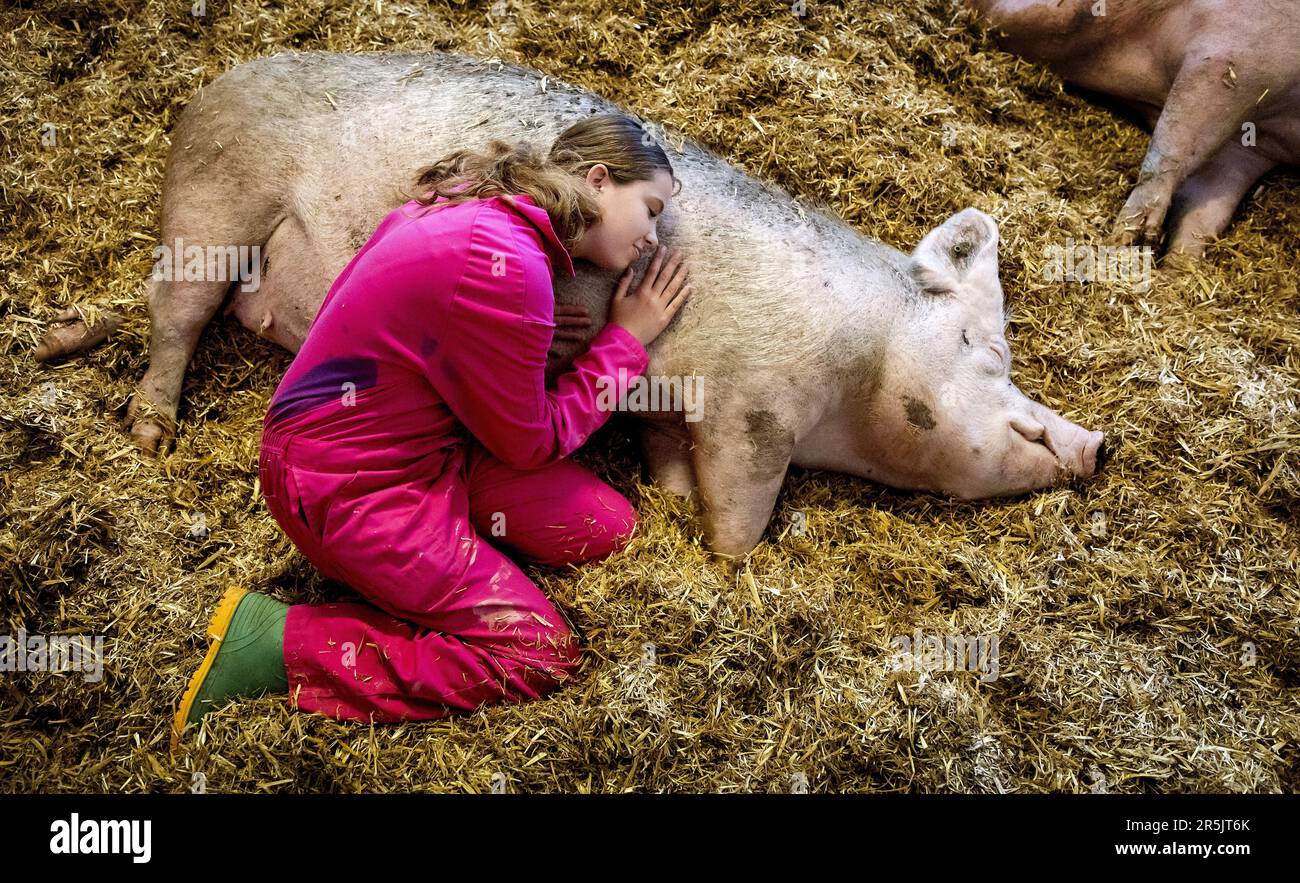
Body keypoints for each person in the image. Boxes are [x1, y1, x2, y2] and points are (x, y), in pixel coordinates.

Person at [171, 114, 691, 750]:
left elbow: (411, 321)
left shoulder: (478, 211)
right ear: (599, 180)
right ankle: (276, 642)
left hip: (422, 443)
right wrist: (624, 343)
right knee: (536, 654)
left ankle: (446, 557)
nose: (652, 236)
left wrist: (515, 345)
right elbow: (531, 442)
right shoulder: (508, 262)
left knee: (603, 528)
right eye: (651, 209)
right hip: (351, 484)